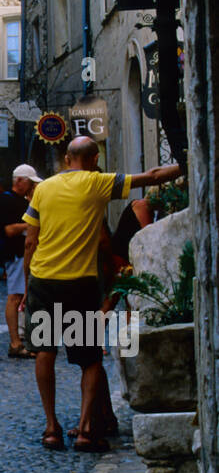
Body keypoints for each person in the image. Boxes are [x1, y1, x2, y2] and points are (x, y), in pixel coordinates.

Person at [20, 137, 180, 452]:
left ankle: (51, 428)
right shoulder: (97, 183)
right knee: (90, 359)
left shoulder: (42, 190)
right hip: (80, 284)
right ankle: (85, 429)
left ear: (67, 159)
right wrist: (185, 164)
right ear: (94, 159)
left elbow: (30, 241)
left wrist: (27, 287)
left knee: (45, 352)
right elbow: (152, 176)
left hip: (44, 280)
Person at [0, 164, 43, 359]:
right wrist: (33, 224)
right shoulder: (8, 201)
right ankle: (15, 342)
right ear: (20, 181)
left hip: (21, 253)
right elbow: (9, 229)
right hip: (15, 254)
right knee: (14, 297)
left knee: (22, 296)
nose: (32, 188)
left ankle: (22, 337)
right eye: (30, 183)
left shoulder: (18, 200)